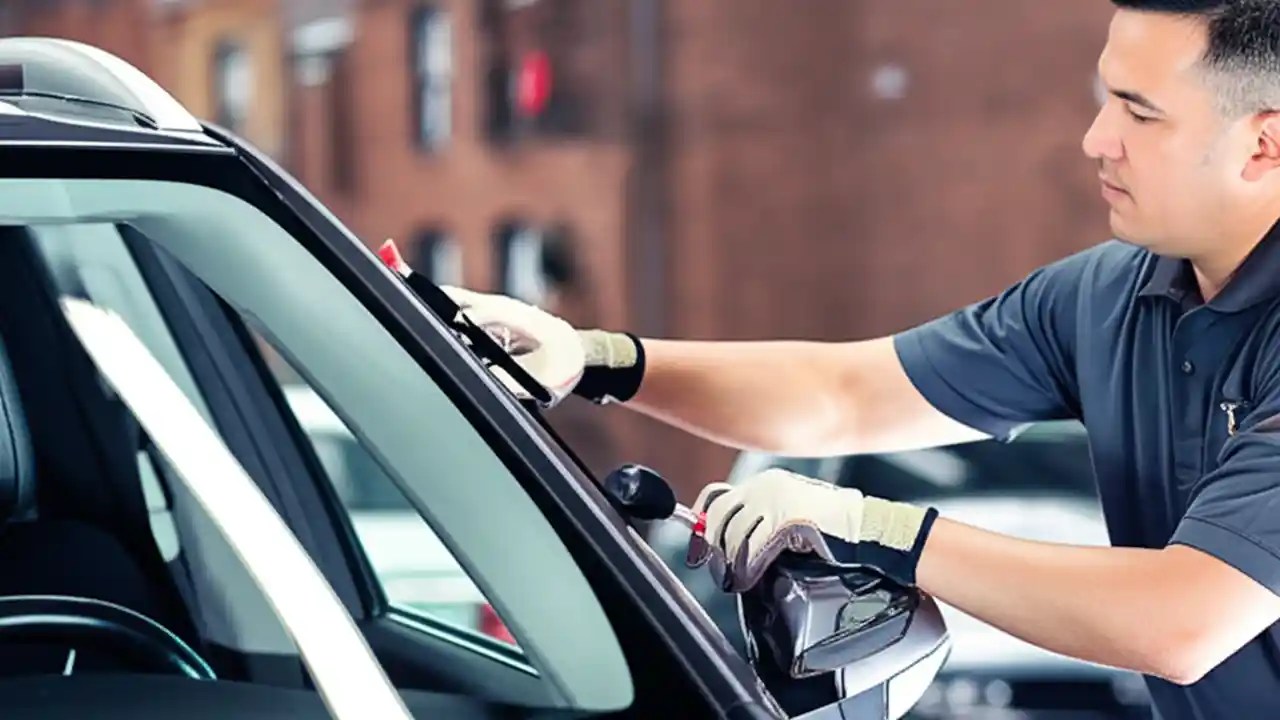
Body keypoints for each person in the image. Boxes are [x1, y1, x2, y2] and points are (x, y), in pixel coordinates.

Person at [436, 2, 1280, 718]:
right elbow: (842, 393)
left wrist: (879, 530)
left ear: (1263, 144)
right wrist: (596, 359)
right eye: (1105, 98)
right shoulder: (1109, 298)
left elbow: (1183, 621)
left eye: (1140, 114)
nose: (1097, 139)